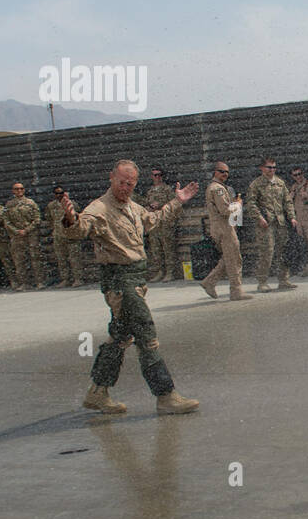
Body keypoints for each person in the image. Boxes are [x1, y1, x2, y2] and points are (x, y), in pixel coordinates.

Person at [58, 159, 200, 414]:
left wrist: (177, 201)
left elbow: (153, 221)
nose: (126, 187)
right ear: (111, 177)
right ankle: (165, 395)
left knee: (121, 337)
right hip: (120, 281)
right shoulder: (99, 208)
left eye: (131, 184)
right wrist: (70, 220)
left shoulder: (133, 207)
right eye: (122, 182)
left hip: (135, 279)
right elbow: (80, 229)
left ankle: (97, 392)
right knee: (147, 335)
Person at [245, 157, 299, 292]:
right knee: (267, 252)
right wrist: (259, 218)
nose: (272, 170)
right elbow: (251, 203)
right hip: (265, 224)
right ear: (262, 168)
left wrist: (292, 217)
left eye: (274, 167)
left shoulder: (280, 183)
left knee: (283, 252)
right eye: (269, 167)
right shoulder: (256, 184)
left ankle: (284, 280)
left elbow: (287, 202)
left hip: (280, 222)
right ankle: (262, 282)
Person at [200, 162, 252, 301]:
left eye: (227, 172)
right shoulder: (218, 189)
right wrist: (237, 205)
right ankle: (236, 291)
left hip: (222, 227)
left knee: (229, 258)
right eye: (221, 171)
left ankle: (209, 282)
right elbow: (224, 210)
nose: (225, 174)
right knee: (234, 259)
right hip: (224, 228)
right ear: (215, 172)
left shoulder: (217, 187)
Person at [4, 182, 44, 291]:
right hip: (17, 237)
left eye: (21, 188)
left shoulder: (31, 203)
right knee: (19, 260)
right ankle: (24, 283)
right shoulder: (9, 205)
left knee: (35, 258)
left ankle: (39, 281)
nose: (19, 191)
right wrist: (16, 231)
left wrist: (27, 230)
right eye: (16, 189)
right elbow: (6, 221)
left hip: (31, 235)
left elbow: (37, 219)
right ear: (13, 191)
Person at [143, 168, 181, 282]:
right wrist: (149, 208)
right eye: (155, 175)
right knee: (156, 249)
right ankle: (159, 272)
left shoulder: (167, 189)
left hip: (165, 223)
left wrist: (160, 205)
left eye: (159, 175)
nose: (157, 177)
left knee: (168, 248)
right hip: (154, 223)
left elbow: (174, 204)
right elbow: (145, 205)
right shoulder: (150, 191)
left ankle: (170, 272)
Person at [46, 186, 85, 287]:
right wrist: (55, 229)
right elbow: (49, 219)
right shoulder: (51, 206)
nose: (59, 195)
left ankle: (78, 278)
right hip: (58, 235)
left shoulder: (72, 204)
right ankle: (65, 279)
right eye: (56, 193)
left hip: (71, 235)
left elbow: (78, 217)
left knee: (74, 258)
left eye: (61, 193)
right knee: (61, 258)